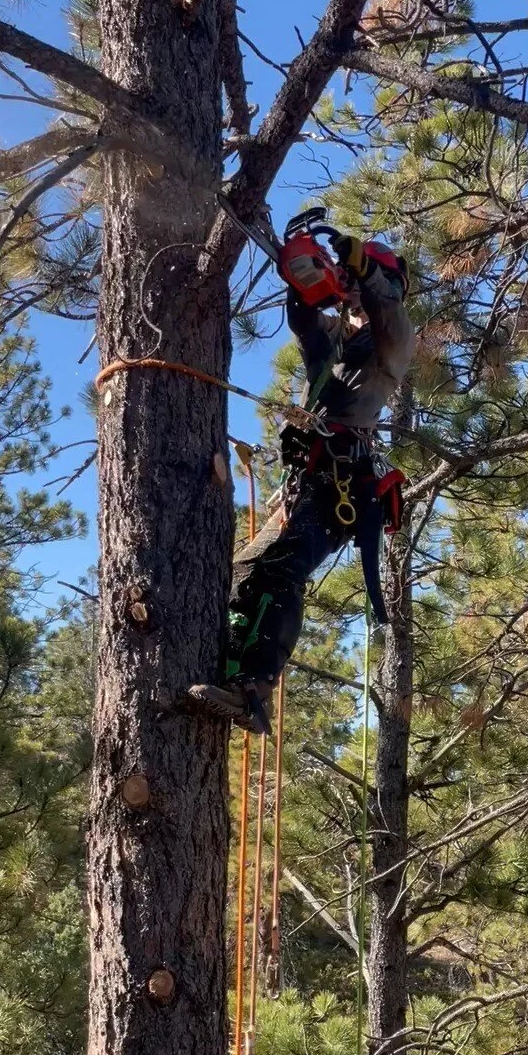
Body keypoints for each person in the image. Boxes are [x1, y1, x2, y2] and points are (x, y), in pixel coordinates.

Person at [188, 234, 415, 735]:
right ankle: (227, 670)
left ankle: (253, 692)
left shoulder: (392, 342)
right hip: (304, 485)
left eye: (360, 283)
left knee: (282, 569)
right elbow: (305, 322)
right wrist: (307, 284)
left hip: (341, 488)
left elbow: (386, 308)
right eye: (351, 284)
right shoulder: (336, 340)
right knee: (247, 570)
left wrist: (363, 272)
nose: (353, 293)